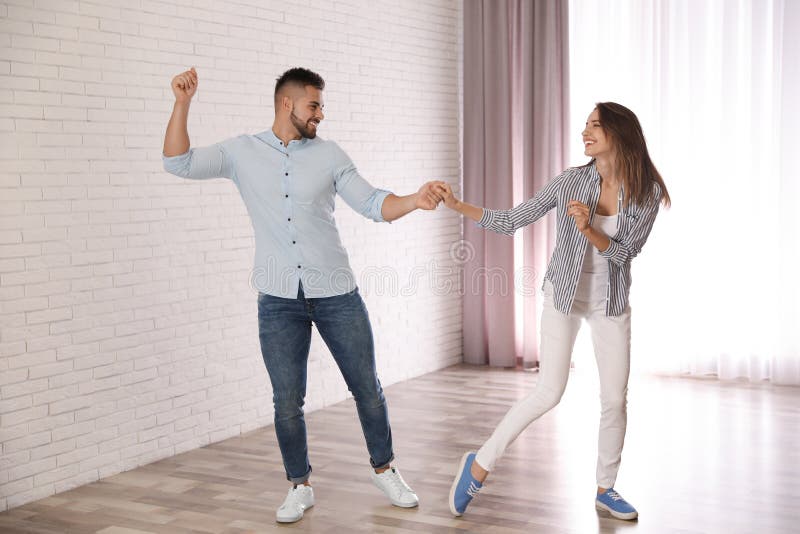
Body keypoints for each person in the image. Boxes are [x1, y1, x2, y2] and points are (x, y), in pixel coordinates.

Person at [162, 66, 444, 523]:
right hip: (277, 299)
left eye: (321, 106)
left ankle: (385, 468)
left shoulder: (329, 155)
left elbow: (373, 203)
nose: (320, 114)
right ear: (286, 103)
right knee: (287, 400)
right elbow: (178, 162)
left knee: (367, 388)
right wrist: (182, 103)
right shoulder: (242, 152)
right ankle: (299, 485)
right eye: (314, 105)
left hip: (336, 291)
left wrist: (415, 198)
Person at [439, 102, 670, 521]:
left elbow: (624, 255)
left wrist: (588, 229)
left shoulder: (646, 192)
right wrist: (458, 206)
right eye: (585, 125)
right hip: (563, 297)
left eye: (595, 126)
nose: (585, 132)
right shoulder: (570, 182)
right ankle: (477, 465)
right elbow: (511, 221)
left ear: (619, 133)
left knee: (615, 399)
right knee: (549, 392)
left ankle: (606, 488)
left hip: (610, 304)